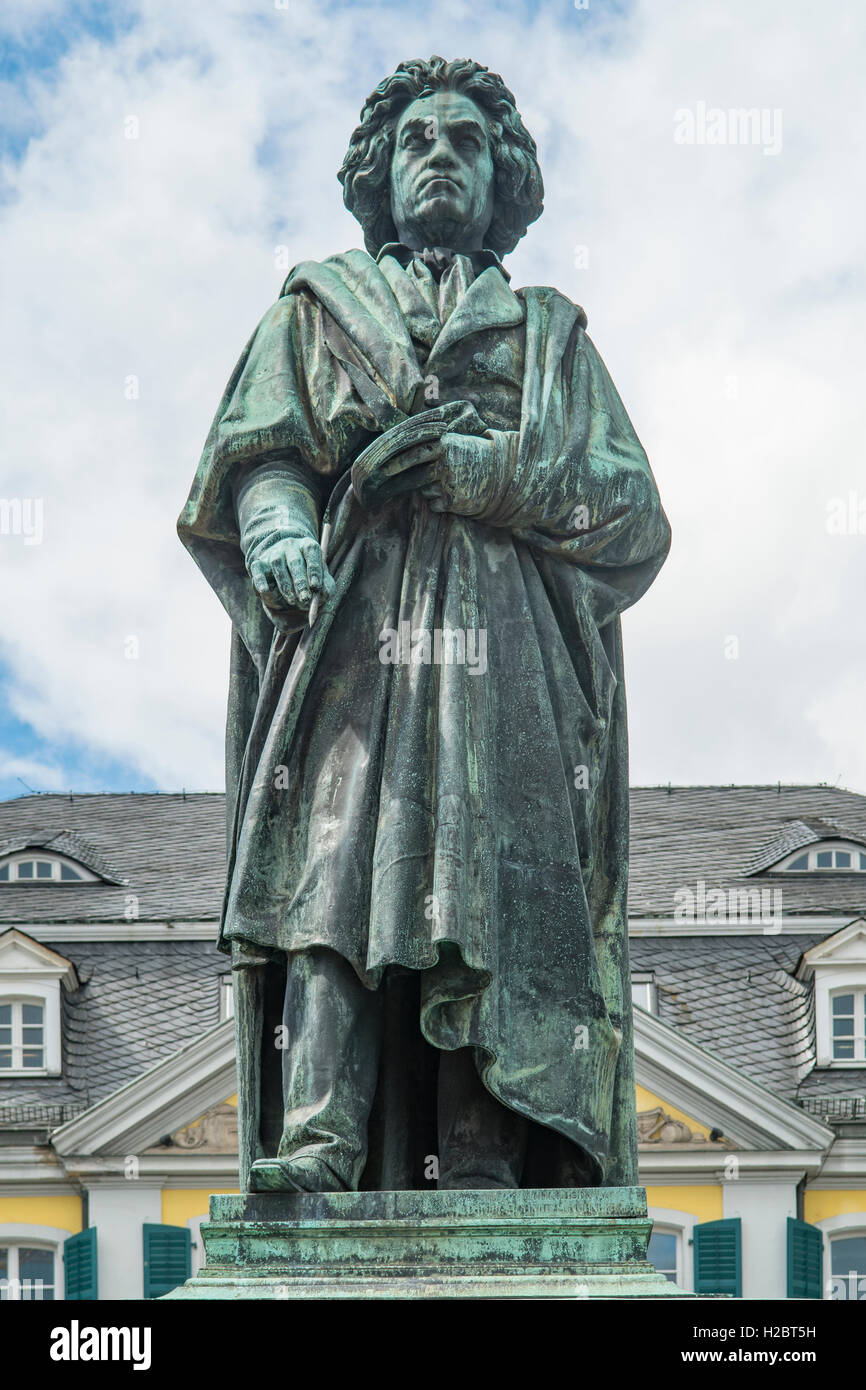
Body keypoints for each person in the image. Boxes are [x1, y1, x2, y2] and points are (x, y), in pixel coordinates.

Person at [178, 55, 671, 1193]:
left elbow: (633, 516)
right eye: (416, 140)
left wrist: (486, 473)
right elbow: (262, 459)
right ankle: (319, 1140)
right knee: (332, 866)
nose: (439, 154)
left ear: (502, 177)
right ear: (380, 173)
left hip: (510, 668)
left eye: (464, 139)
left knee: (497, 887)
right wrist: (280, 538)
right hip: (353, 639)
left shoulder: (551, 338)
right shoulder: (315, 308)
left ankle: (490, 1154)